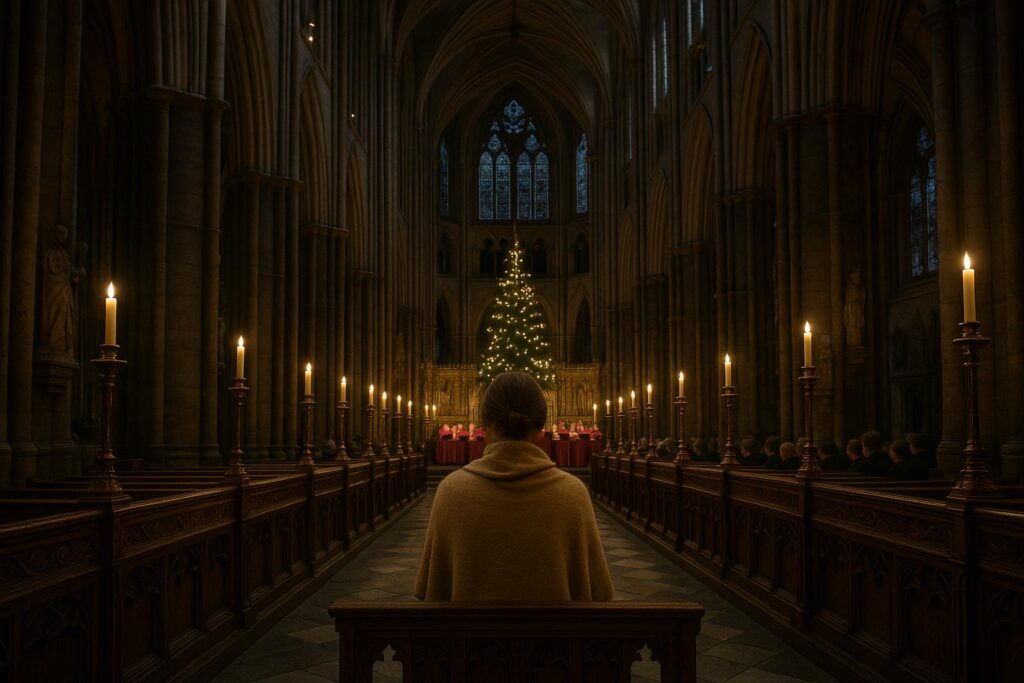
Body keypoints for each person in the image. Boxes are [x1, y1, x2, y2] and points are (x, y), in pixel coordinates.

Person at [415, 371, 613, 602]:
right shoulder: (573, 493)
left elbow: (432, 594)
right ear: (541, 429)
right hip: (555, 636)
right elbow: (600, 594)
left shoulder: (451, 492)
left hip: (469, 636)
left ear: (484, 424)